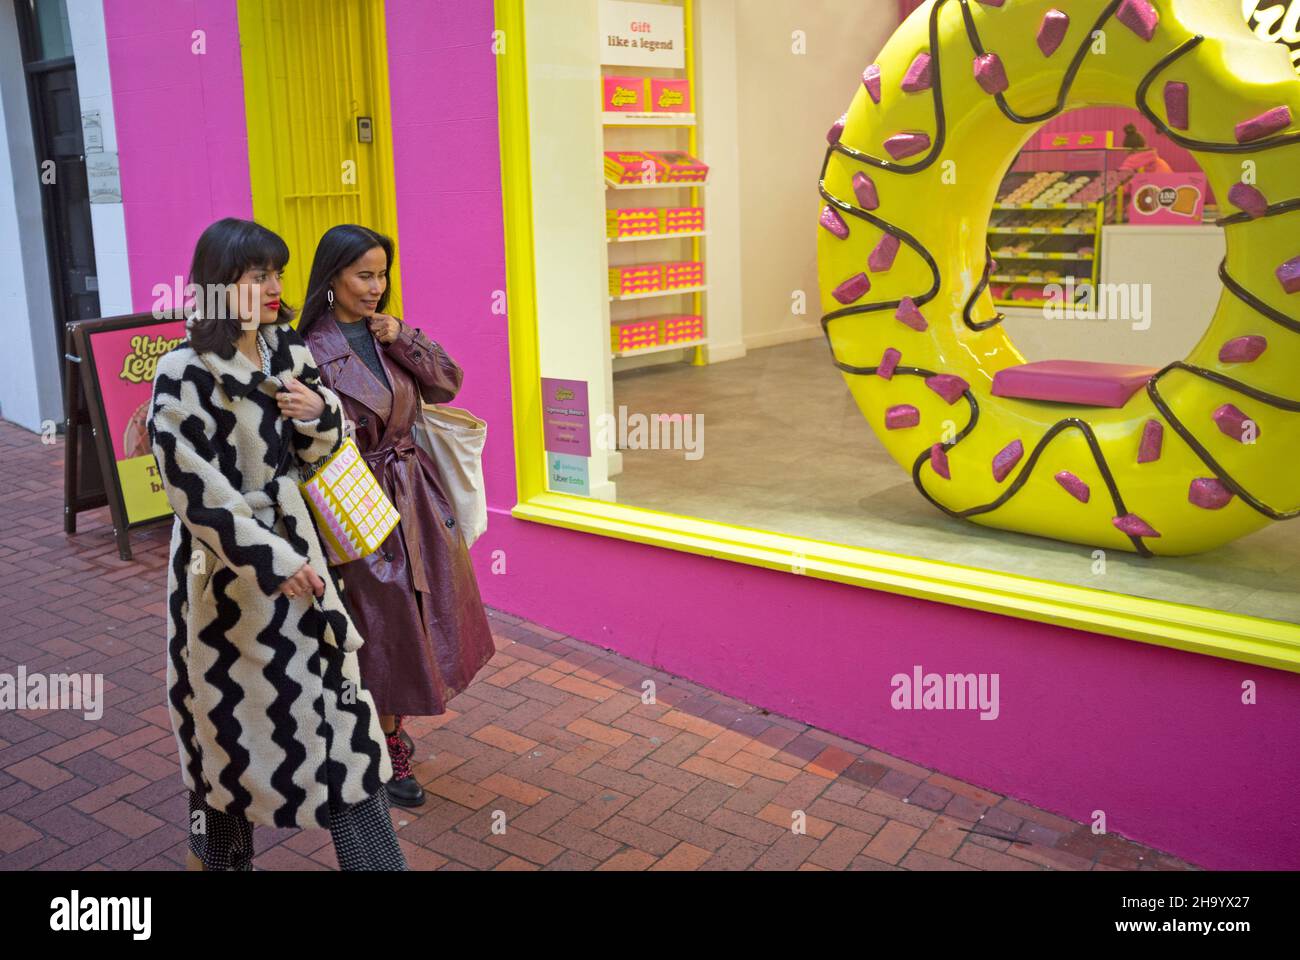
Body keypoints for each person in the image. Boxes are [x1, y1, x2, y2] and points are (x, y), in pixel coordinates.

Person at [147, 217, 406, 870]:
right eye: (258, 273)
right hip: (225, 594)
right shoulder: (184, 372)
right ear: (218, 283)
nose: (274, 286)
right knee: (228, 751)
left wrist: (319, 419)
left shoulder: (286, 349)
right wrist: (271, 559)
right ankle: (222, 863)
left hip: (307, 579)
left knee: (347, 738)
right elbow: (195, 492)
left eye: (278, 273)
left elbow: (327, 442)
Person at [297, 224, 496, 808]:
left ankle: (389, 734)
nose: (377, 286)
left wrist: (404, 337)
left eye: (382, 273)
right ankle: (377, 742)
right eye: (364, 274)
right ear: (332, 276)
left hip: (416, 497)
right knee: (376, 624)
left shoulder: (390, 335)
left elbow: (448, 383)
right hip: (353, 503)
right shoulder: (306, 348)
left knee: (418, 615)